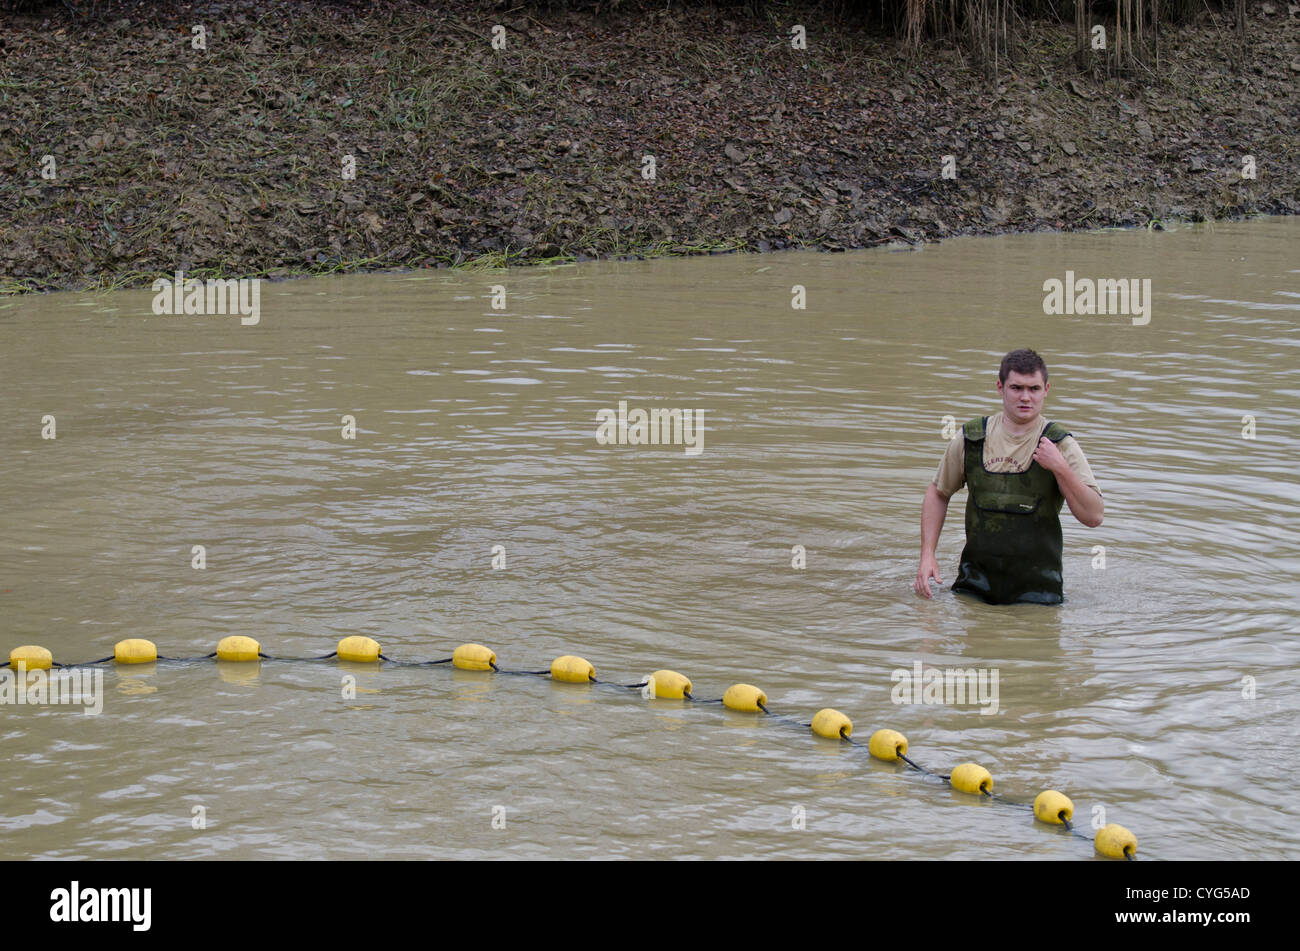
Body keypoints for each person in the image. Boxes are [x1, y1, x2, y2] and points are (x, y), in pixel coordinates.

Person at [914, 349, 1103, 605]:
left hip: (1039, 596)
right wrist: (927, 556)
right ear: (1000, 387)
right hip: (973, 589)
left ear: (1046, 390)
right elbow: (938, 493)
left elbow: (1094, 516)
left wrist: (1061, 468)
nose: (1025, 397)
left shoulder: (1061, 444)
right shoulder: (971, 438)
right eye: (1016, 388)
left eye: (1034, 389)